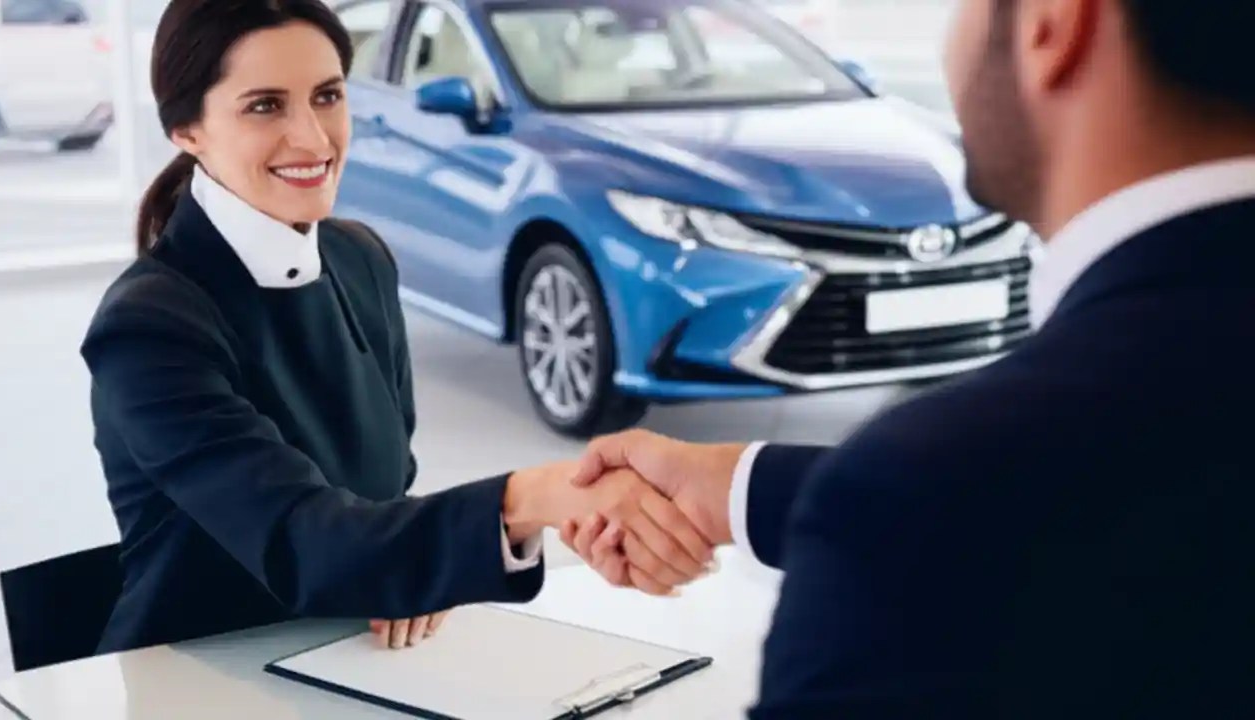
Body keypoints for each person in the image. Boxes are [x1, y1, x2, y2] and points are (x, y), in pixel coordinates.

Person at [565, 0, 1255, 716]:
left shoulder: (919, 500)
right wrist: (742, 487)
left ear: (1055, 23)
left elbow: (1001, 501)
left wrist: (871, 494)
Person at [80, 0, 710, 656]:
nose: (314, 139)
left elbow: (385, 492)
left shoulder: (360, 260)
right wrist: (538, 497)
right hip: (192, 678)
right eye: (265, 105)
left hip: (355, 658)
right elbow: (298, 538)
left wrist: (406, 569)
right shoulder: (148, 327)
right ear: (187, 129)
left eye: (328, 96)